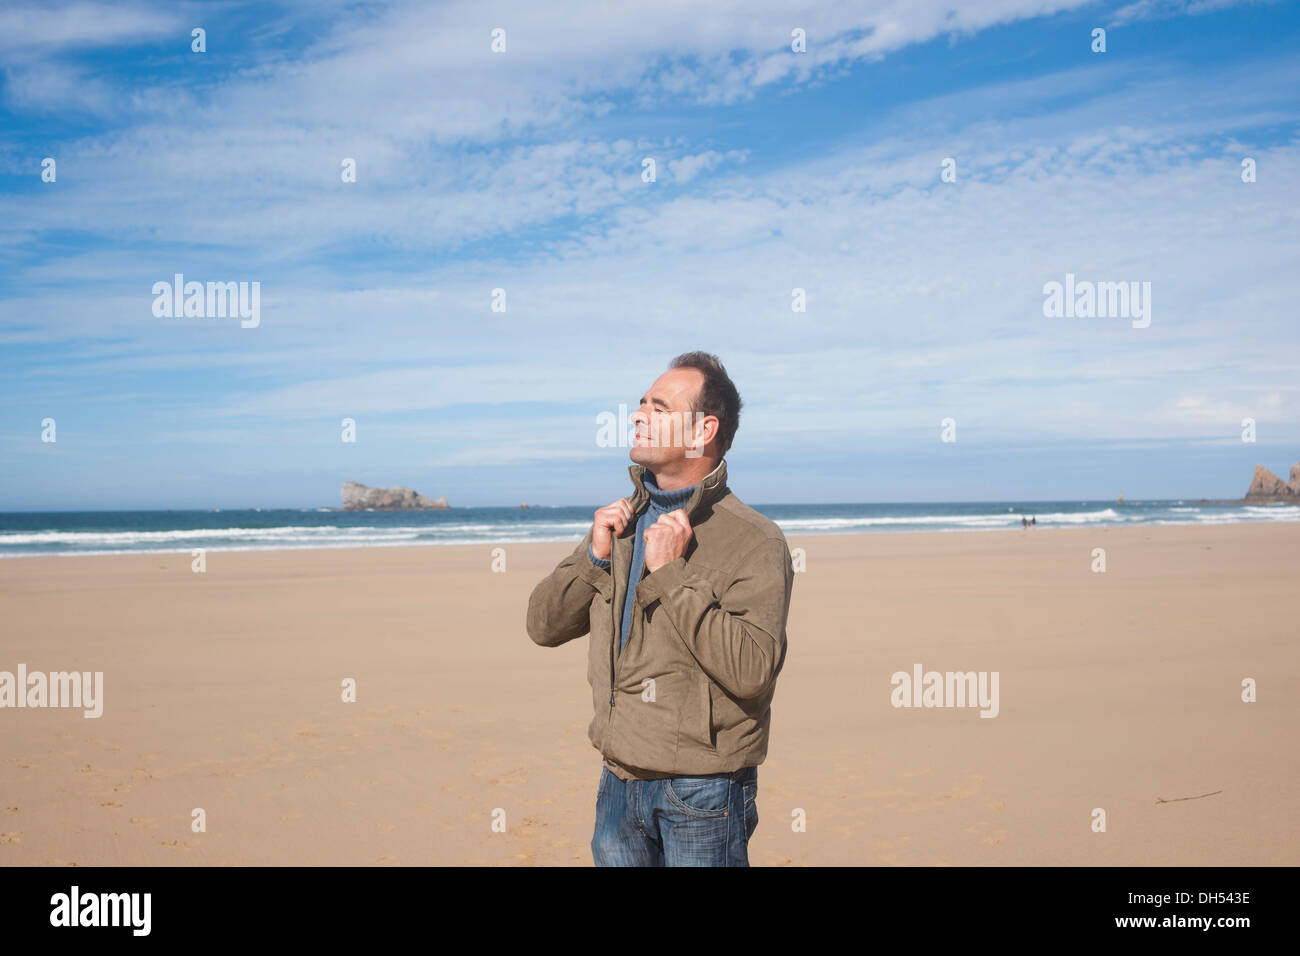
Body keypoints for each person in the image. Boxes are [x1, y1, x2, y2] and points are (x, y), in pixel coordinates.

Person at [526, 352, 794, 866]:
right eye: (640, 404)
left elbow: (753, 671)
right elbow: (542, 625)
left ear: (702, 431)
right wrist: (592, 558)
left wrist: (673, 574)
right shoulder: (620, 522)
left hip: (701, 790)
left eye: (659, 407)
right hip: (617, 779)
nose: (637, 416)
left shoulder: (756, 540)